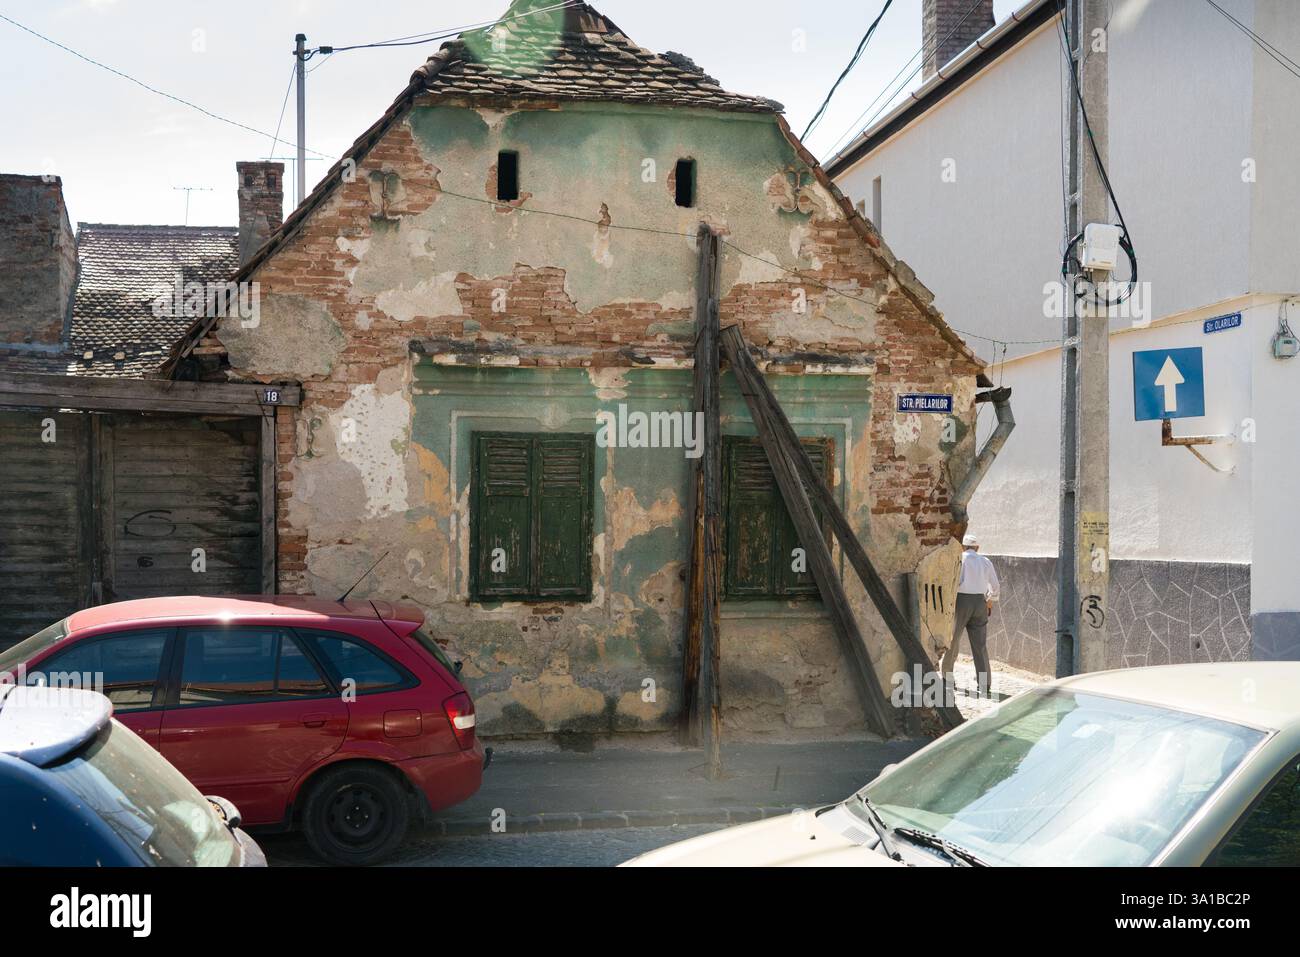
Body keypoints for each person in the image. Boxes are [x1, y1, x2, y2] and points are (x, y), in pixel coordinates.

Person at [941, 533, 1000, 699]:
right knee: (980, 644)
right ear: (978, 548)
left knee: (953, 639)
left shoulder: (960, 559)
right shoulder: (986, 561)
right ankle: (985, 683)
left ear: (962, 547)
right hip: (980, 602)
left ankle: (947, 677)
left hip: (961, 601)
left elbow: (953, 582)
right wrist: (989, 600)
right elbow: (995, 587)